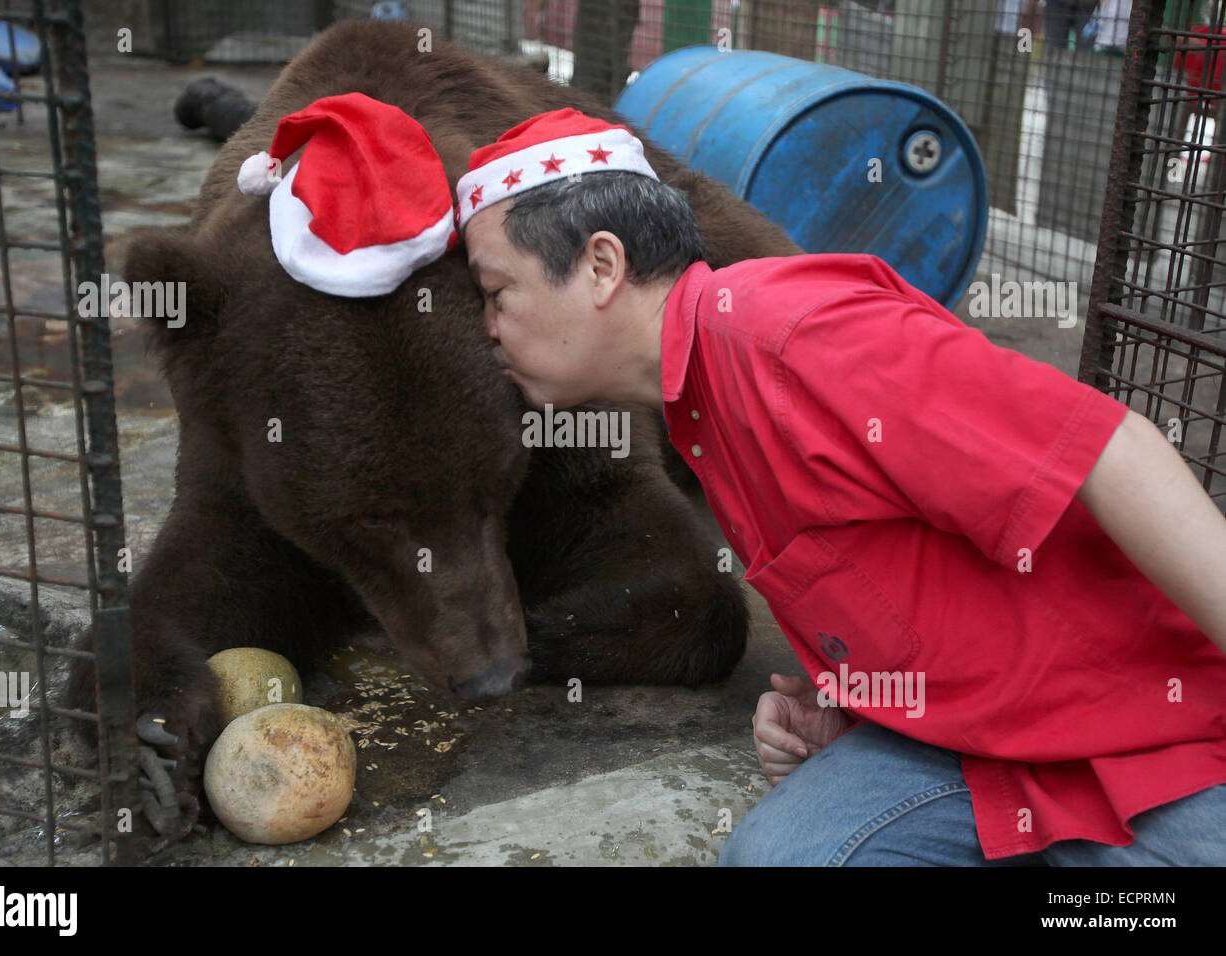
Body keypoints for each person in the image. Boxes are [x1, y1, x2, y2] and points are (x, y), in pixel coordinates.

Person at [453, 107, 1226, 865]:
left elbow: (1113, 449)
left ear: (599, 266)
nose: (487, 327)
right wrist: (856, 704)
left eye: (495, 292)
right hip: (967, 749)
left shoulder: (799, 336)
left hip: (1149, 743)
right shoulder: (701, 401)